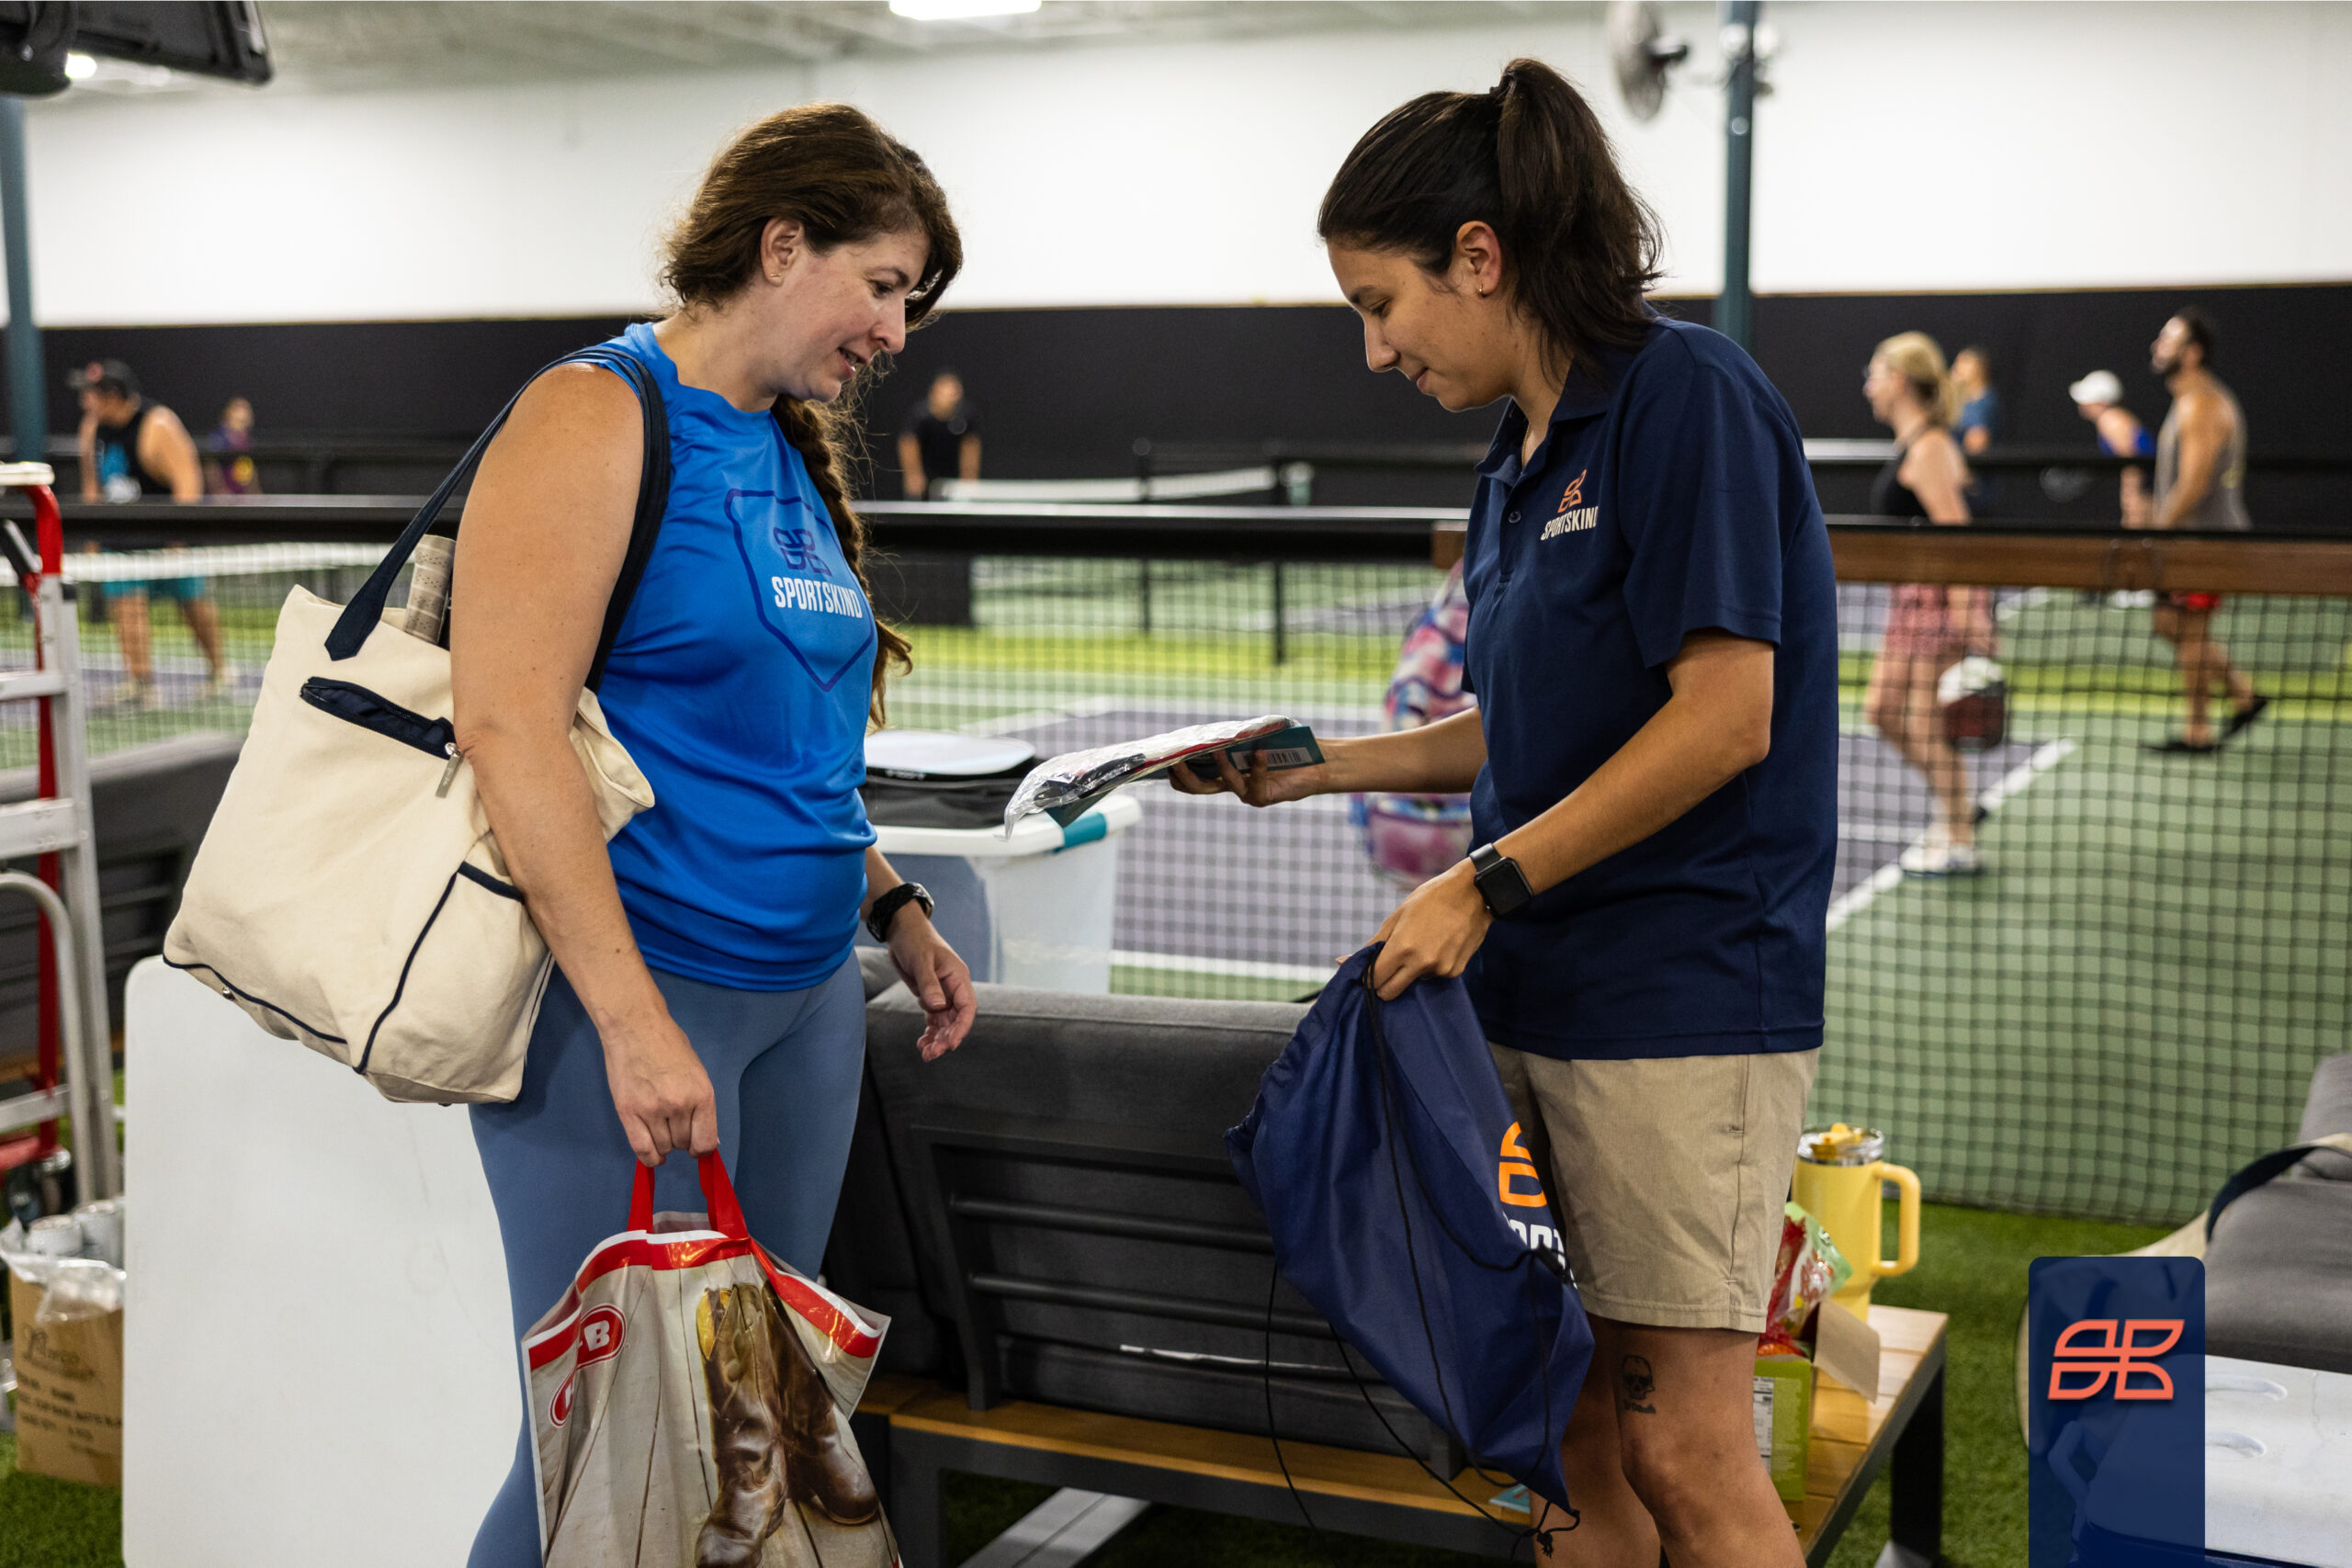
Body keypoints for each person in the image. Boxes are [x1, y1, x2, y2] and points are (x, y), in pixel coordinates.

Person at [1176, 60, 1836, 1568]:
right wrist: (1317, 762)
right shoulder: (1514, 463)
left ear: (1479, 255)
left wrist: (1479, 883)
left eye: (1379, 300)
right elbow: (1529, 732)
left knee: (1683, 1439)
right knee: (1565, 1425)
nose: (1372, 346)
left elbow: (1726, 717)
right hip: (1533, 997)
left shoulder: (1690, 399)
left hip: (1682, 1003)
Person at [450, 103, 977, 1565]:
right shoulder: (596, 409)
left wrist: (893, 906)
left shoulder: (789, 450)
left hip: (801, 1003)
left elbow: (784, 748)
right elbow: (507, 723)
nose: (897, 329)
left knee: (745, 1436)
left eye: (913, 300)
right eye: (884, 283)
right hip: (633, 1007)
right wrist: (627, 1020)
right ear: (782, 241)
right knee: (610, 1443)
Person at [1863, 333, 1989, 877]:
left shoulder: (1932, 447)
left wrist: (1970, 616)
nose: (1867, 386)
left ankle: (1960, 836)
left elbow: (1956, 537)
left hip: (1935, 604)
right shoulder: (1911, 443)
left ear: (1897, 379)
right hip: (1907, 603)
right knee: (1882, 712)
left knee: (1924, 726)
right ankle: (1958, 802)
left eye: (1873, 373)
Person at [2137, 307, 2266, 752]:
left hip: (2207, 544)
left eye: (2168, 339)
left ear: (2191, 354)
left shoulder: (2203, 405)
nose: (2158, 346)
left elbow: (2194, 483)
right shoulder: (2187, 401)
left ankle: (2197, 732)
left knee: (2190, 631)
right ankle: (2243, 694)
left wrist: (2156, 530)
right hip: (2189, 543)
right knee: (2170, 624)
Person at [69, 360, 232, 706]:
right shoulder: (91, 429)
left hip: (165, 534)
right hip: (120, 537)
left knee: (193, 605)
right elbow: (92, 485)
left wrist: (179, 537)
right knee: (126, 606)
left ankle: (219, 671)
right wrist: (93, 537)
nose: (86, 401)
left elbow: (187, 480)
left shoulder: (158, 424)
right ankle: (141, 684)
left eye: (91, 394)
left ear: (112, 396)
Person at [2068, 368, 2154, 528]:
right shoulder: (2115, 418)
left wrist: (2131, 499)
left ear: (2101, 401)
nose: (2082, 404)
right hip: (2148, 491)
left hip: (2147, 494)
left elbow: (2132, 464)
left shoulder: (2111, 420)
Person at [896, 368, 978, 498]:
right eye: (946, 392)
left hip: (953, 480)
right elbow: (908, 444)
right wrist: (913, 475)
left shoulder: (965, 416)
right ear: (934, 392)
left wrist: (969, 478)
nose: (951, 396)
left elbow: (970, 447)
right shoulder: (920, 417)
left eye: (955, 391)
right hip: (926, 479)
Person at [1950, 344, 1998, 514]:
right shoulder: (1972, 400)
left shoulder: (1979, 403)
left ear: (1977, 368)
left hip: (1973, 494)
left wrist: (1962, 477)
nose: (1955, 368)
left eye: (1962, 363)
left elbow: (1977, 442)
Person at [203, 396, 262, 496]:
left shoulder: (247, 440)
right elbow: (211, 466)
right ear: (228, 412)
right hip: (223, 497)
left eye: (246, 410)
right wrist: (219, 491)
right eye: (238, 409)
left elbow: (250, 470)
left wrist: (255, 493)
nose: (243, 414)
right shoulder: (219, 437)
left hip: (242, 496)